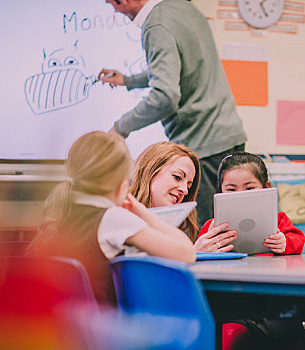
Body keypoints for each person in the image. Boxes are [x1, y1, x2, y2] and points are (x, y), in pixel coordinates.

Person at [99, 0, 247, 226]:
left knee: (206, 235)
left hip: (202, 143)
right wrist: (129, 81)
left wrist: (120, 128)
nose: (115, 11)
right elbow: (180, 65)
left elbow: (165, 96)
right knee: (231, 230)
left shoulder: (156, 26)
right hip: (229, 136)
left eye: (112, 4)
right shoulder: (183, 7)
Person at [27, 131, 196, 306]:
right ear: (122, 184)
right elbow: (187, 253)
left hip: (66, 324)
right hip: (103, 326)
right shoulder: (113, 218)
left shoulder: (64, 210)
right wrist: (142, 212)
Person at [196, 151, 305, 350]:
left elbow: (298, 240)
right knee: (230, 338)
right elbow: (199, 256)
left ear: (266, 188)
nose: (241, 195)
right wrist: (205, 250)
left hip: (275, 305)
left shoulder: (278, 220)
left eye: (250, 188)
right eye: (231, 190)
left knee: (295, 342)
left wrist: (284, 242)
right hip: (233, 308)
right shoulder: (212, 227)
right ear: (219, 192)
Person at [129, 141, 238, 250]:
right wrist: (196, 255)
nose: (185, 191)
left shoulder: (175, 232)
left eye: (188, 186)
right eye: (177, 177)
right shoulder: (121, 217)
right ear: (150, 170)